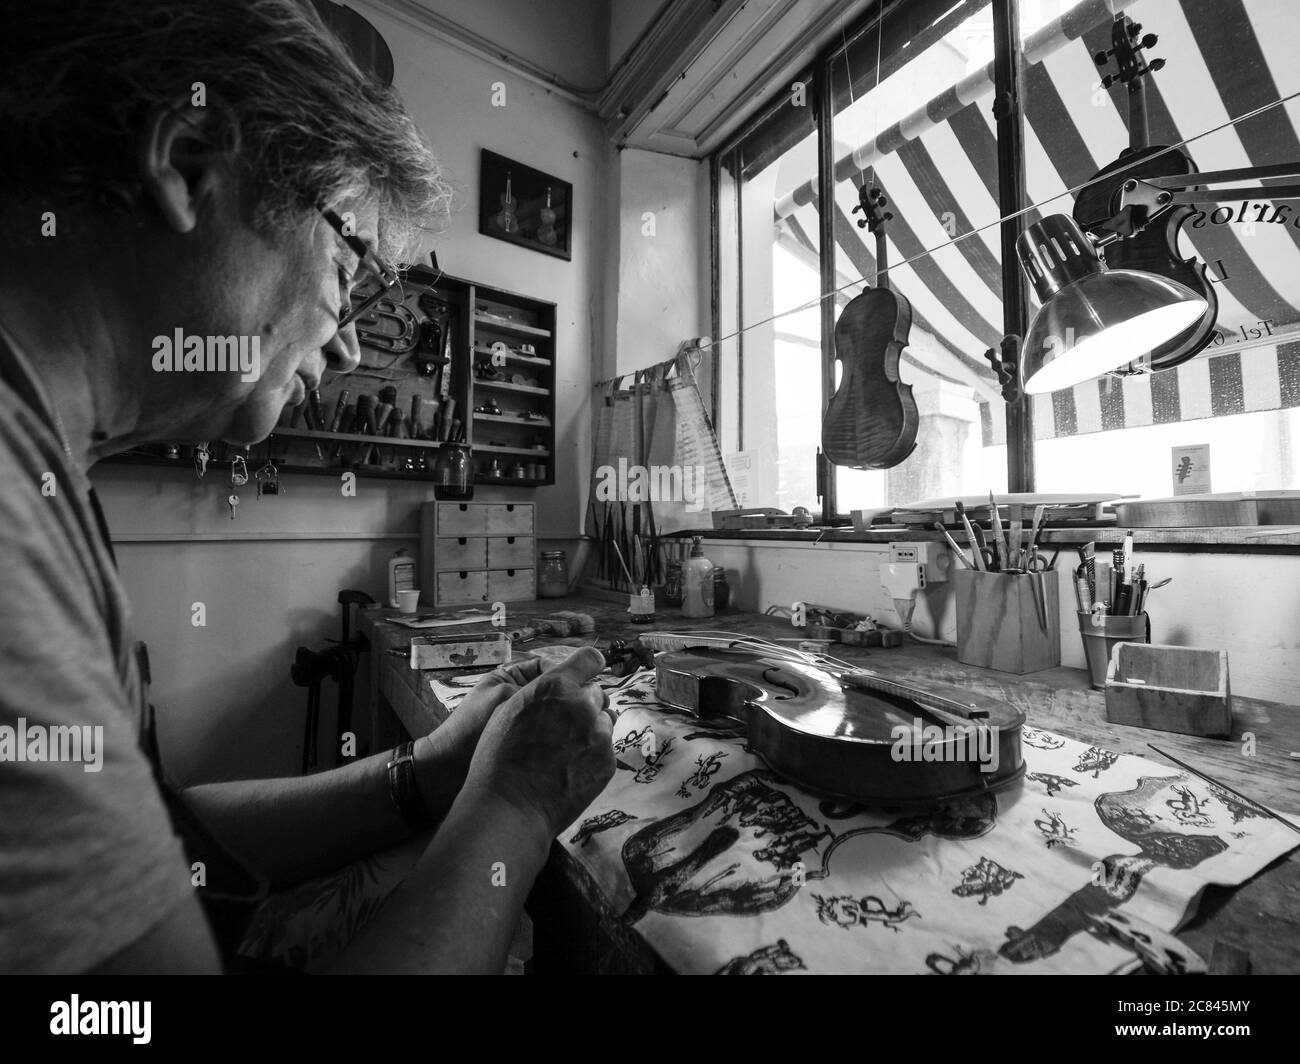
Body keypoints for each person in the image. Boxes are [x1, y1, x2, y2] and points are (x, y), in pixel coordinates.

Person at [0, 0, 614, 974]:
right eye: (348, 264)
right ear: (188, 160)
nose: (354, 344)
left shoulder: (43, 472)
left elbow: (167, 838)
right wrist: (517, 804)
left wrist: (423, 774)